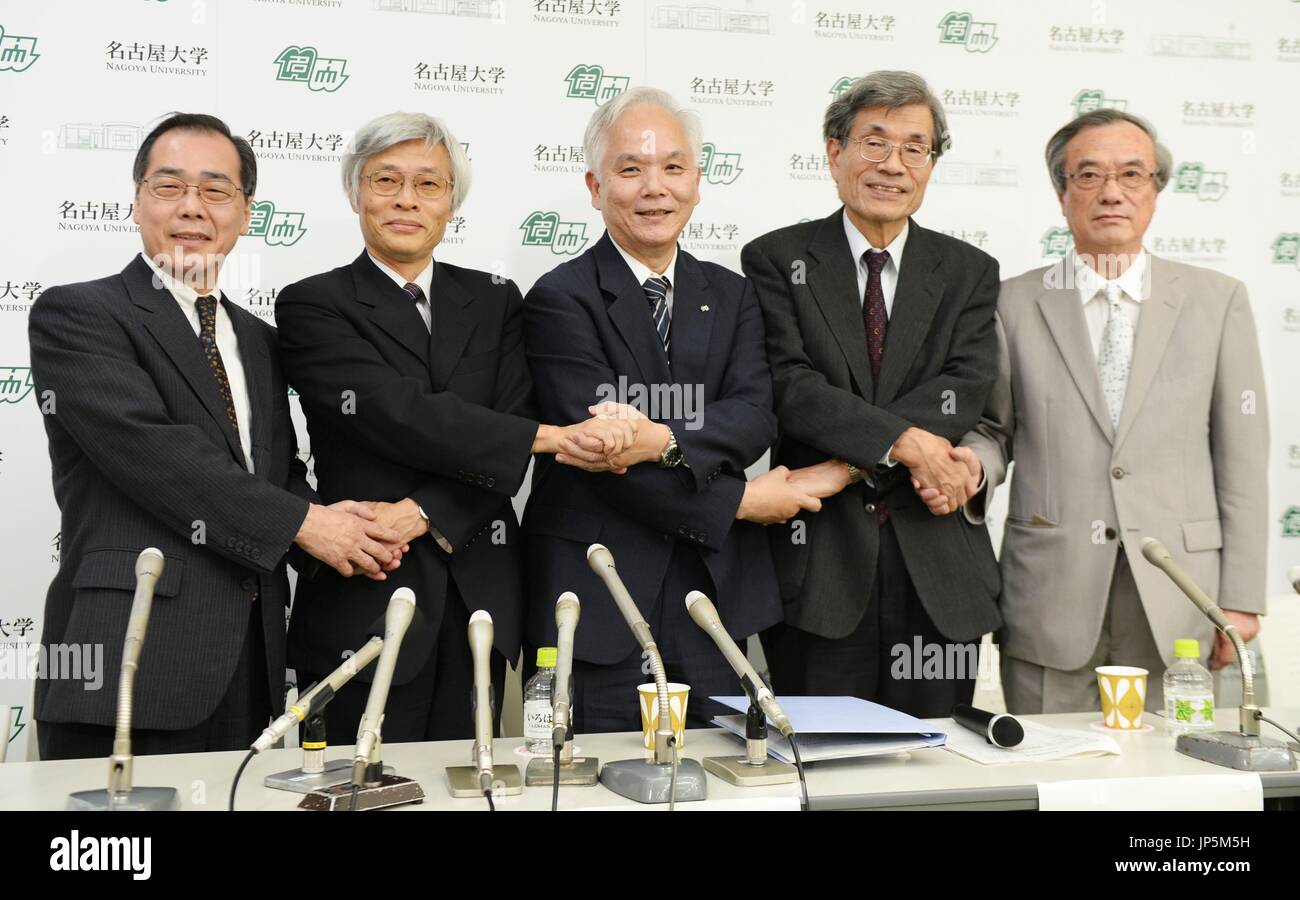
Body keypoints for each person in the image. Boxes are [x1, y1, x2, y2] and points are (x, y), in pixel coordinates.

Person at [29, 112, 402, 759]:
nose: (192, 208)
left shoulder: (258, 339)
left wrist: (343, 531)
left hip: (249, 669)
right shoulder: (79, 314)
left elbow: (276, 471)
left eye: (216, 190)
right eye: (169, 187)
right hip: (125, 662)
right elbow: (156, 456)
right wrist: (305, 523)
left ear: (246, 211)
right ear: (138, 201)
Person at [275, 112, 635, 742]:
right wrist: (544, 438)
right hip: (366, 583)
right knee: (350, 788)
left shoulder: (497, 299)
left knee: (469, 787)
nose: (406, 200)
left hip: (482, 590)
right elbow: (396, 412)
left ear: (452, 202)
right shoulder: (312, 303)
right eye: (386, 181)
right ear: (357, 193)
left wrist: (423, 512)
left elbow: (509, 427)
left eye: (428, 184)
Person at [923, 109, 1268, 713]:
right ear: (1062, 195)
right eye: (1088, 176)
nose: (1111, 192)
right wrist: (971, 468)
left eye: (1132, 174)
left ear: (1156, 192)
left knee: (1175, 786)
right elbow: (992, 429)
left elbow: (1241, 462)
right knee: (1054, 784)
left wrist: (1237, 600)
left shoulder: (1218, 302)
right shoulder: (1011, 303)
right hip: (1050, 596)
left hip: (1182, 598)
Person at [523, 87, 820, 733]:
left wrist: (660, 441)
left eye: (673, 168)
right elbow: (598, 450)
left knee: (724, 784)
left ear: (697, 181)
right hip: (599, 599)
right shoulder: (559, 298)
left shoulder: (735, 294)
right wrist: (736, 502)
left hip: (713, 600)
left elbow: (753, 417)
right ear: (595, 186)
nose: (654, 188)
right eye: (630, 170)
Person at [741, 71, 1001, 718]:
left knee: (939, 775)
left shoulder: (968, 271)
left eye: (916, 148)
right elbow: (790, 387)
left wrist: (885, 448)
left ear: (932, 164)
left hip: (939, 569)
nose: (894, 165)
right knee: (828, 768)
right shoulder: (777, 259)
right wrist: (909, 444)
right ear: (834, 153)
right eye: (874, 143)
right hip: (819, 575)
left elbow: (965, 388)